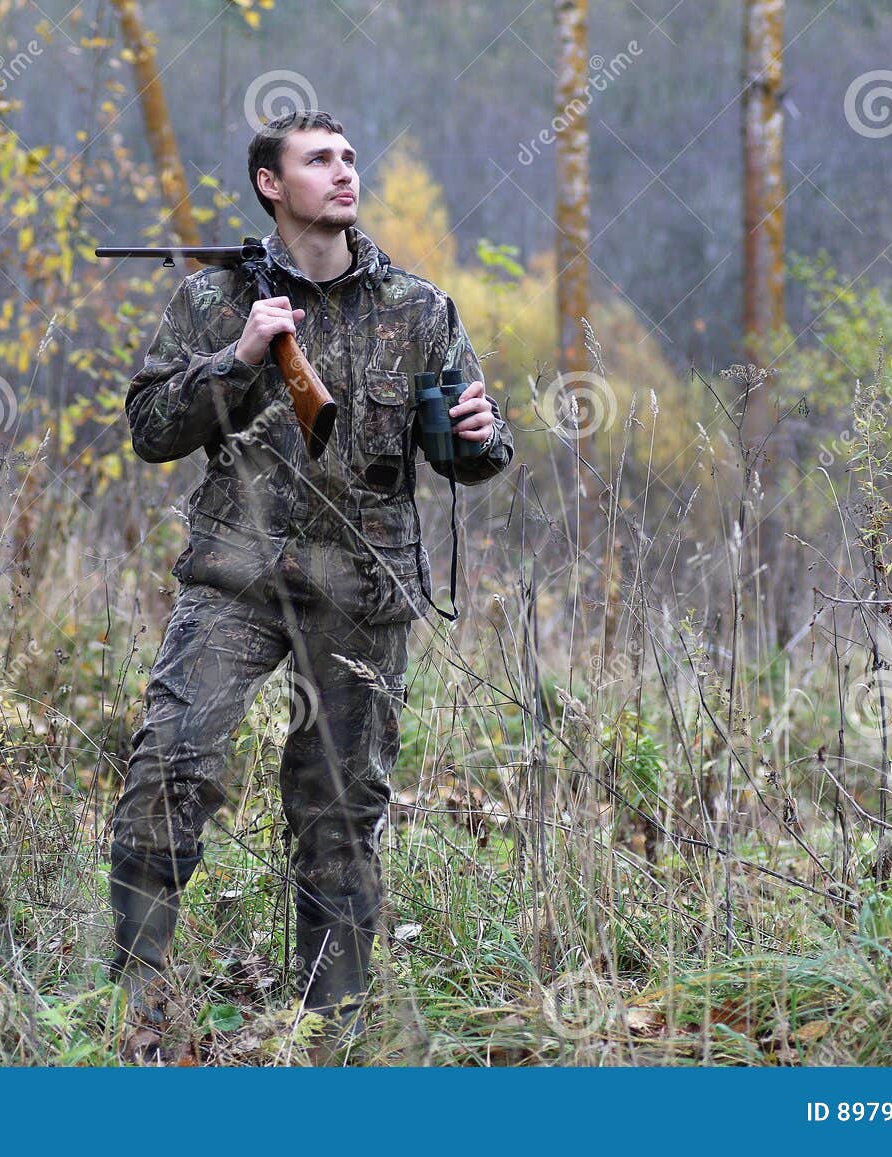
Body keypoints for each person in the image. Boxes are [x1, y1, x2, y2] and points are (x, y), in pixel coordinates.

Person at [109, 108, 514, 1058]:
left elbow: (469, 456)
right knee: (170, 765)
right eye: (318, 161)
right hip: (235, 574)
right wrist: (243, 356)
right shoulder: (217, 301)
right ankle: (130, 1009)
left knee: (339, 808)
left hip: (363, 588)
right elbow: (151, 429)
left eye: (348, 157)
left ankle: (330, 1033)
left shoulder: (420, 309)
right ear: (270, 184)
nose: (343, 173)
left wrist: (480, 435)